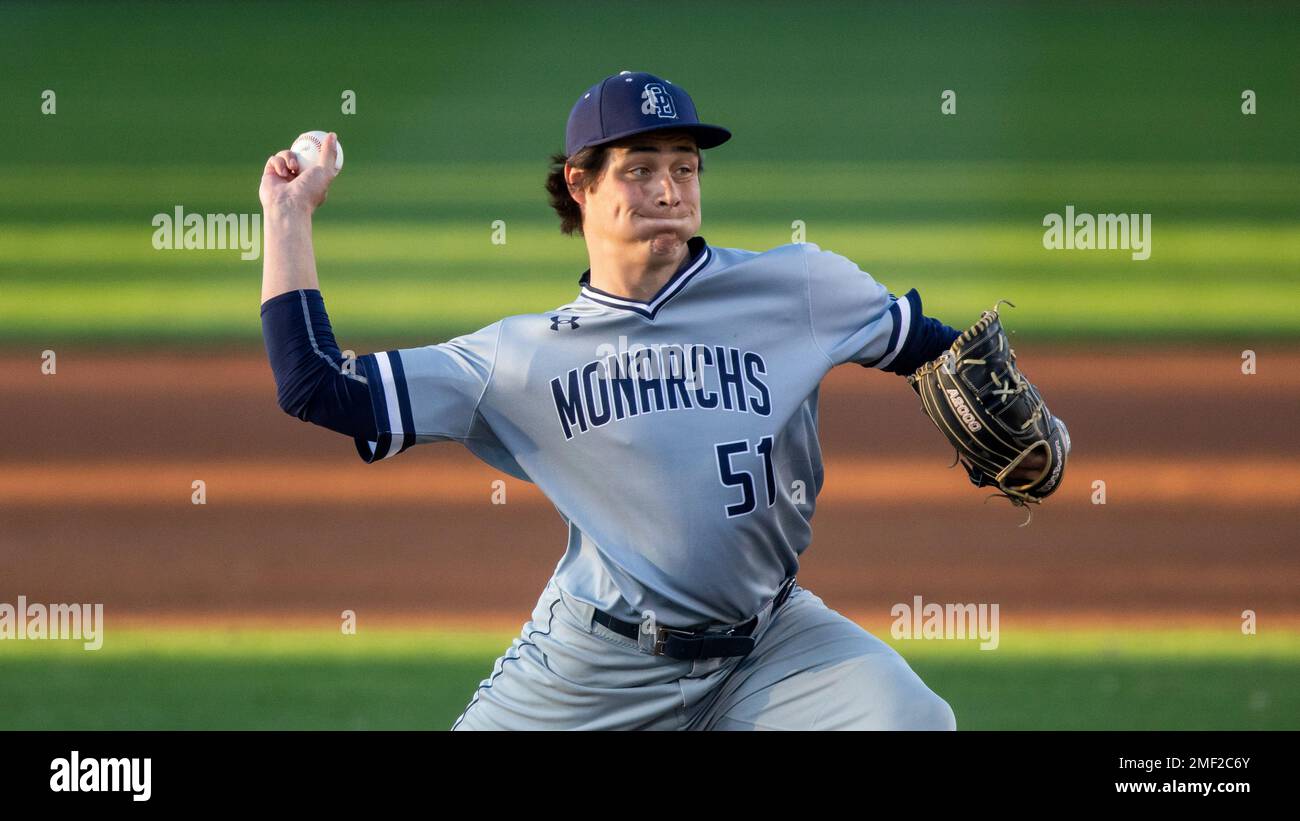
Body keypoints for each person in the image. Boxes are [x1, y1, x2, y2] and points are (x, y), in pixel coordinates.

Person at [259, 70, 1012, 730]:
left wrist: (1003, 409)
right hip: (596, 663)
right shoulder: (519, 359)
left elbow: (934, 347)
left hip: (772, 642)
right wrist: (289, 216)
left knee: (913, 718)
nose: (668, 189)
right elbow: (319, 386)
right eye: (640, 167)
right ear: (580, 184)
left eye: (685, 168)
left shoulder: (797, 288)